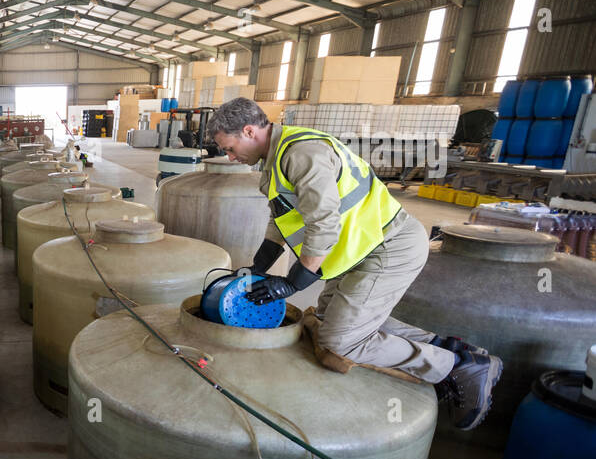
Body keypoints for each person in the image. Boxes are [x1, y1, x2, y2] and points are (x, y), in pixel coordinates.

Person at [207, 97, 503, 430]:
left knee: (339, 341)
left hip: (387, 247)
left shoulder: (300, 153)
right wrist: (258, 267)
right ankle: (458, 350)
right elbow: (282, 220)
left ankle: (451, 366)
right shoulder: (275, 159)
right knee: (326, 320)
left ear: (249, 131)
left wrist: (293, 282)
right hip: (358, 252)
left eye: (229, 148)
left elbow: (323, 224)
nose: (230, 157)